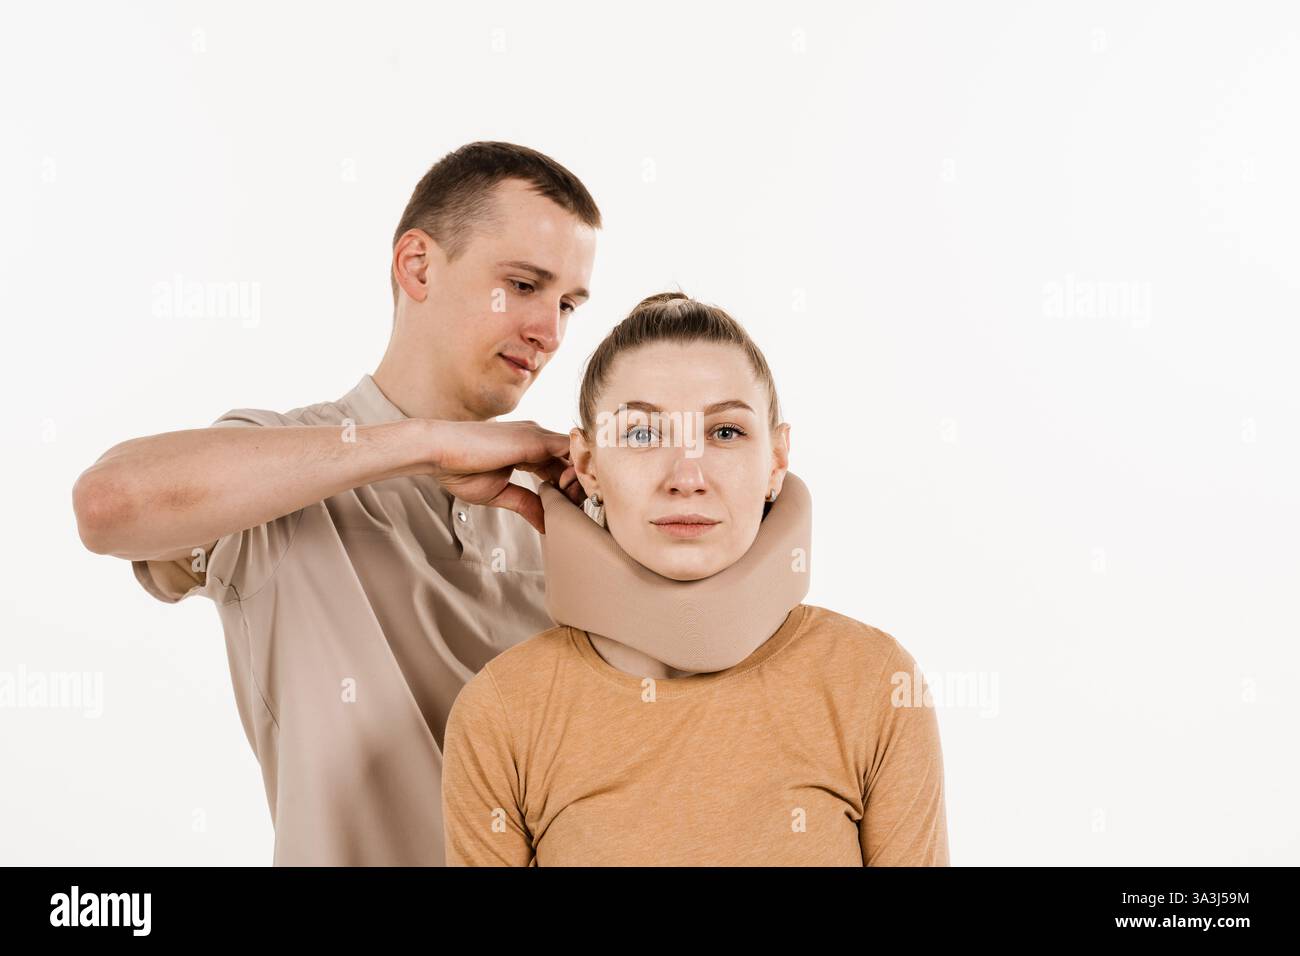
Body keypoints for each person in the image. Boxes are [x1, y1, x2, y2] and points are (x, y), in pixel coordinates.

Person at [71, 143, 759, 866]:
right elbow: (108, 502)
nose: (550, 333)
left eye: (567, 304)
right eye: (523, 286)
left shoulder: (566, 507)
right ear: (418, 266)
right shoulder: (278, 473)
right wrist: (426, 445)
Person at [441, 292, 951, 866]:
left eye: (725, 432)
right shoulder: (504, 711)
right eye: (641, 434)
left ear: (777, 459)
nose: (686, 477)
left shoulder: (872, 683)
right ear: (587, 465)